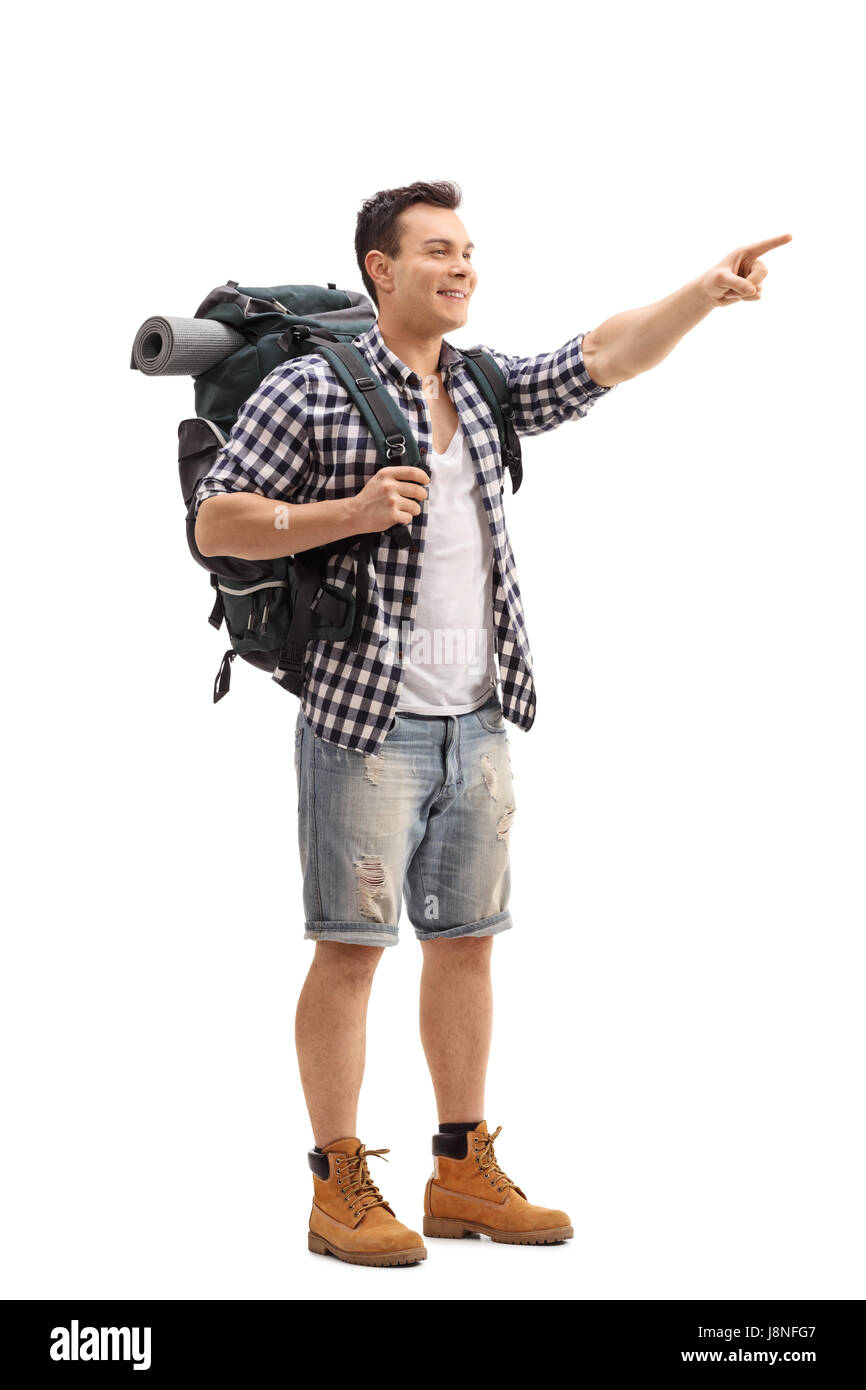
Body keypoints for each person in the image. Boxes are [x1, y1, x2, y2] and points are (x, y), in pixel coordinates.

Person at [194, 180, 791, 1268]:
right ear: (380, 267)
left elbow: (598, 355)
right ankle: (337, 1185)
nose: (461, 266)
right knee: (349, 949)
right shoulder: (307, 390)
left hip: (479, 716)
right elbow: (218, 517)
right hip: (363, 719)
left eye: (468, 250)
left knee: (465, 945)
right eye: (437, 250)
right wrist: (347, 512)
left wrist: (700, 297)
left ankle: (458, 1167)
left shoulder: (475, 384)